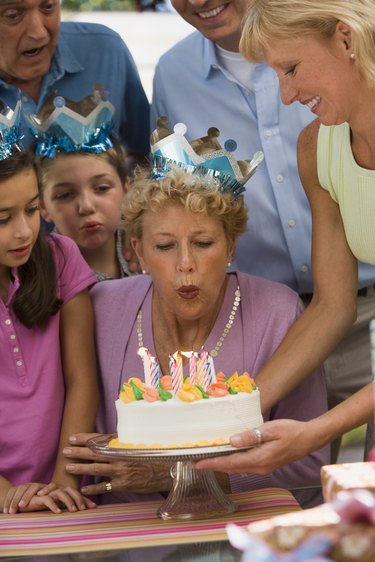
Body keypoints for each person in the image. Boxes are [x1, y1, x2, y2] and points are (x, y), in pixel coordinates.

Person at [150, 0, 375, 460]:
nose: (287, 96)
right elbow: (333, 305)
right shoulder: (318, 145)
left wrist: (315, 433)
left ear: (345, 39)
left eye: (291, 69)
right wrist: (234, 416)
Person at [62, 134, 329, 508]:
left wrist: (175, 476)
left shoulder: (278, 312)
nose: (185, 263)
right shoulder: (101, 309)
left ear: (231, 245)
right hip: (128, 540)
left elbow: (309, 463)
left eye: (203, 243)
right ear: (137, 250)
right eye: (165, 246)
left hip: (243, 534)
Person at [0, 126, 99, 514]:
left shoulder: (61, 257)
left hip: (69, 477)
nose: (24, 231)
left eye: (31, 209)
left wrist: (65, 481)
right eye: (3, 218)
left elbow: (82, 379)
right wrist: (7, 494)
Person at [0, 0, 150, 168]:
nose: (39, 33)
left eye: (48, 7)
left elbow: (145, 155)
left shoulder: (105, 50)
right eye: (13, 15)